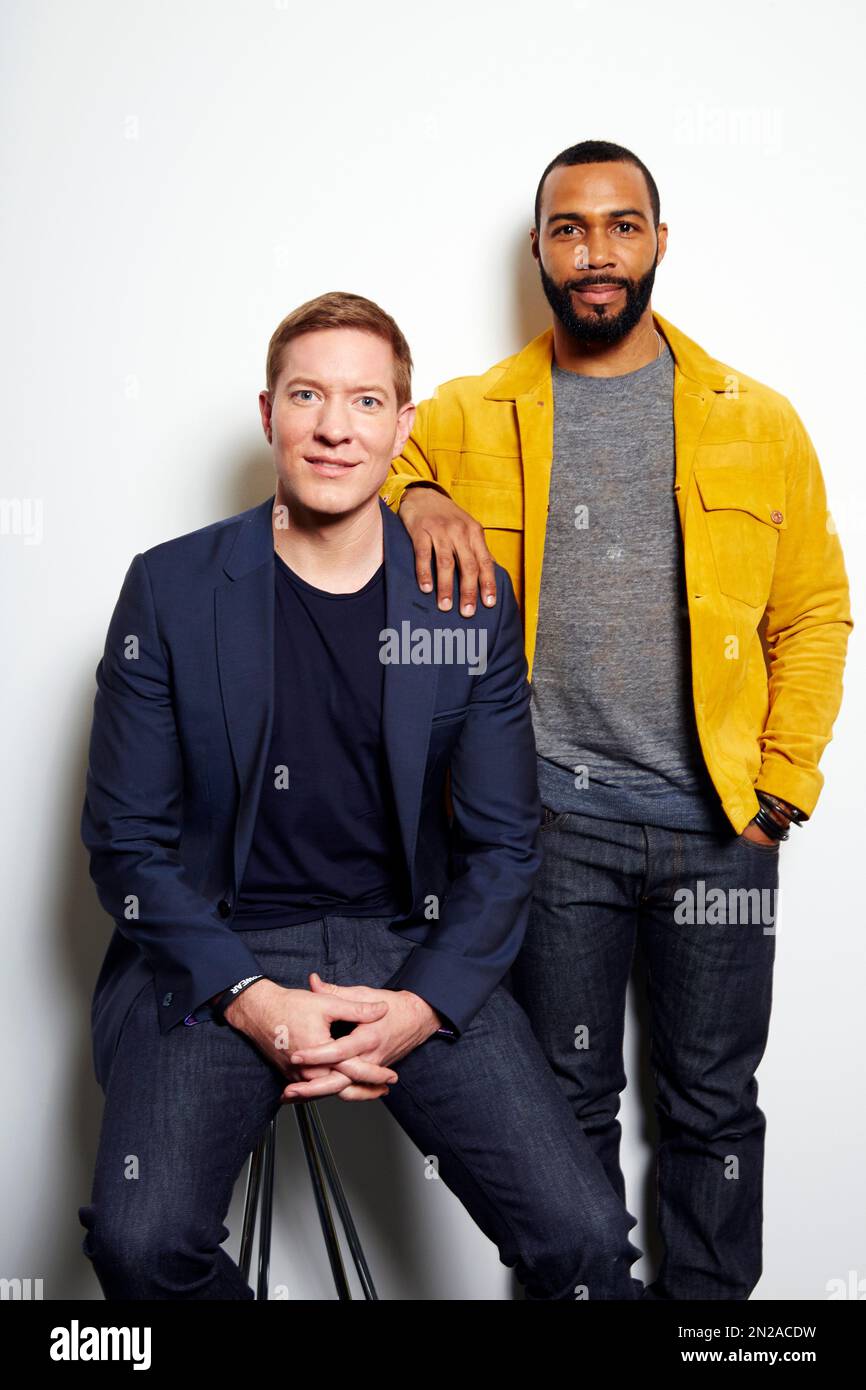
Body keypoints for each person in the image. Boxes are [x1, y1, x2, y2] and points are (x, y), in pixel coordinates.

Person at [77, 290, 644, 1300]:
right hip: (221, 952)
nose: (335, 426)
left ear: (402, 426)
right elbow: (125, 845)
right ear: (267, 413)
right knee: (139, 1238)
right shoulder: (168, 588)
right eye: (307, 395)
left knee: (587, 1239)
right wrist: (252, 1001)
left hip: (404, 947)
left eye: (365, 401)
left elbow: (506, 846)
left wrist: (425, 1001)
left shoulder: (463, 599)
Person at [381, 141, 853, 1299]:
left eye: (620, 225)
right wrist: (423, 487)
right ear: (538, 249)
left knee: (710, 1105)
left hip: (719, 823)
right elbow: (355, 461)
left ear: (656, 242)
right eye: (569, 228)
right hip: (548, 823)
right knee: (563, 1105)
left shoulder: (759, 420)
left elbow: (815, 610)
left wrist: (781, 788)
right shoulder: (469, 412)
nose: (596, 252)